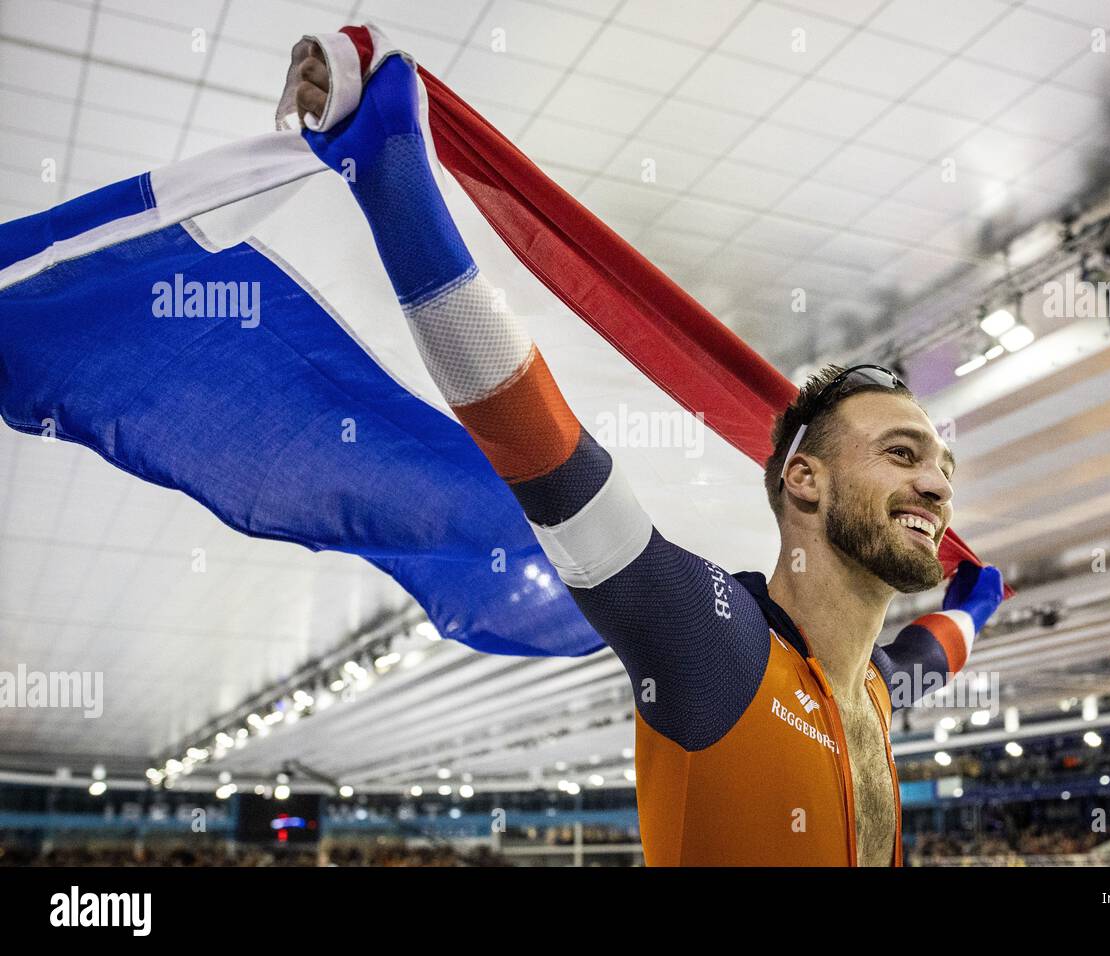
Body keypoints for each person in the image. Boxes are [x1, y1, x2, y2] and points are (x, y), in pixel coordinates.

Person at [288, 40, 1004, 866]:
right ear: (804, 480)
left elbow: (934, 650)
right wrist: (390, 173)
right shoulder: (715, 645)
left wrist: (980, 604)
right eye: (904, 453)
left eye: (942, 471)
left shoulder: (874, 689)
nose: (936, 486)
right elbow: (545, 449)